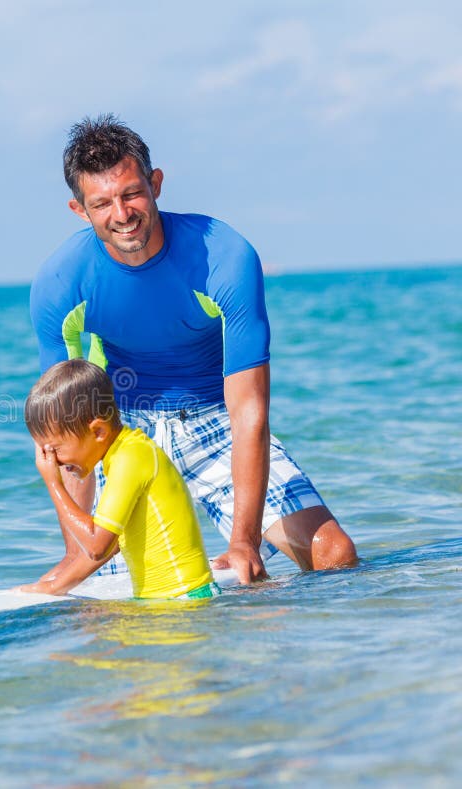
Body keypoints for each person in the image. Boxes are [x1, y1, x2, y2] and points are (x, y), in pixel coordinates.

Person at [30, 114, 358, 584]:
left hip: (215, 424)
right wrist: (80, 554)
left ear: (156, 183)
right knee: (112, 601)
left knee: (335, 554)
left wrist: (244, 543)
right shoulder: (60, 283)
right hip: (120, 434)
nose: (121, 214)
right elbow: (69, 432)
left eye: (131, 194)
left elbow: (249, 413)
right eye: (102, 203)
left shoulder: (222, 256)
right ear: (80, 210)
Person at [19, 358, 218, 599]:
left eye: (55, 450)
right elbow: (110, 546)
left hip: (184, 601)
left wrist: (53, 483)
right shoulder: (123, 454)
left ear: (98, 432)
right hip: (172, 599)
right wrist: (54, 586)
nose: (53, 462)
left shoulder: (130, 457)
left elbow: (96, 546)